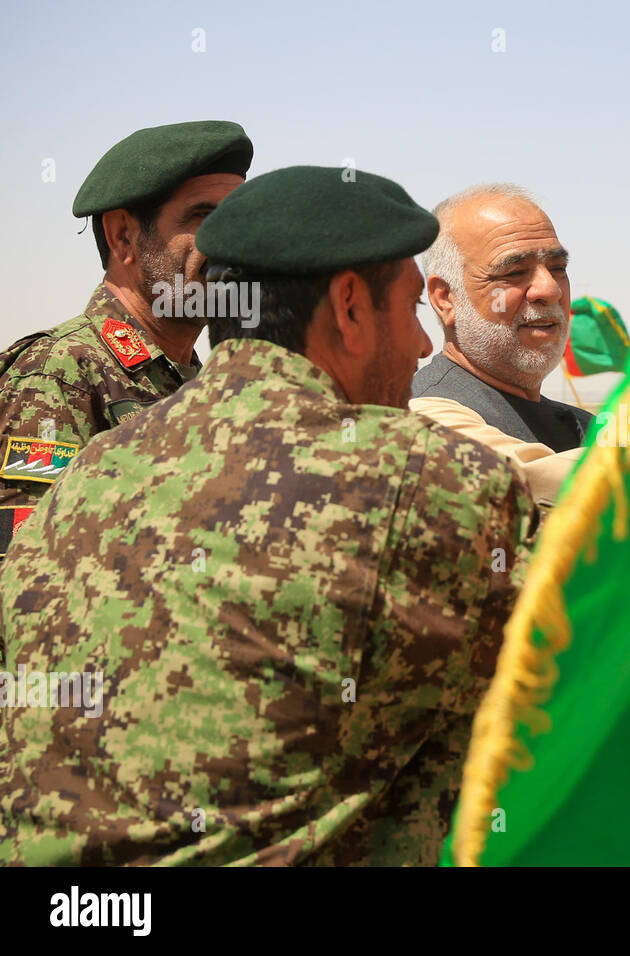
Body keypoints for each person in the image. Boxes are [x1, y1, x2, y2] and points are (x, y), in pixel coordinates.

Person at [0, 166, 536, 865]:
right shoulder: (432, 480)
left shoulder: (91, 471)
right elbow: (574, 685)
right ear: (348, 307)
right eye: (409, 309)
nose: (424, 346)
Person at [0, 121, 253, 554]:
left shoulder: (203, 382)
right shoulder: (58, 374)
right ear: (123, 236)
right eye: (205, 217)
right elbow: (24, 587)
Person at [410, 184, 590, 505]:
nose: (549, 290)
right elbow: (520, 481)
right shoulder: (419, 416)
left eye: (558, 269)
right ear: (445, 298)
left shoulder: (582, 426)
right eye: (514, 272)